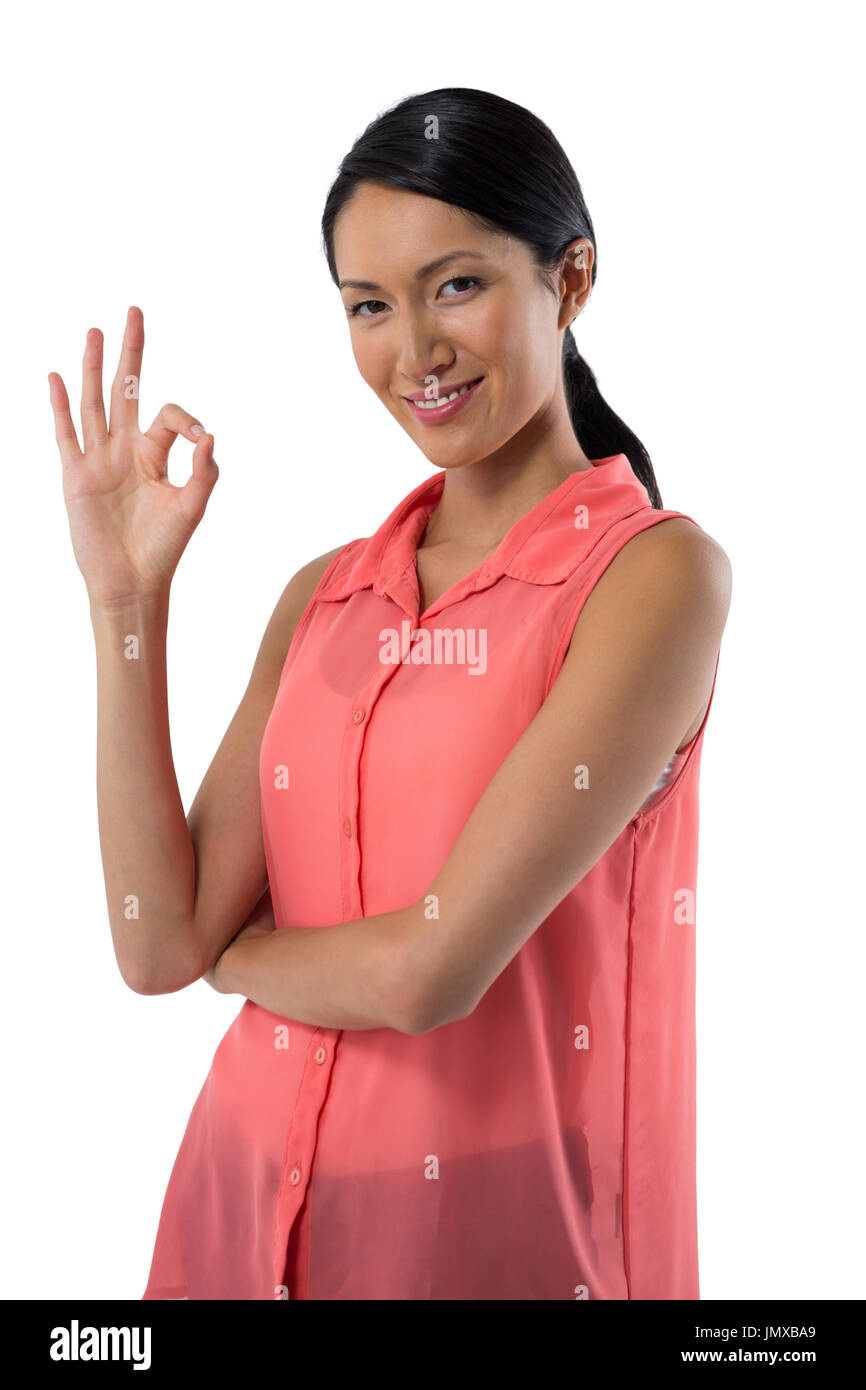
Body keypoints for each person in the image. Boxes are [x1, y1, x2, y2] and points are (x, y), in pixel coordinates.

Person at [48, 87, 731, 1300]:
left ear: (569, 280)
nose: (412, 350)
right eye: (369, 304)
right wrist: (125, 604)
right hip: (232, 1209)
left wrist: (238, 956)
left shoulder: (651, 579)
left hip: (477, 1244)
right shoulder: (325, 595)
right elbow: (156, 941)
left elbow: (428, 972)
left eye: (455, 285)